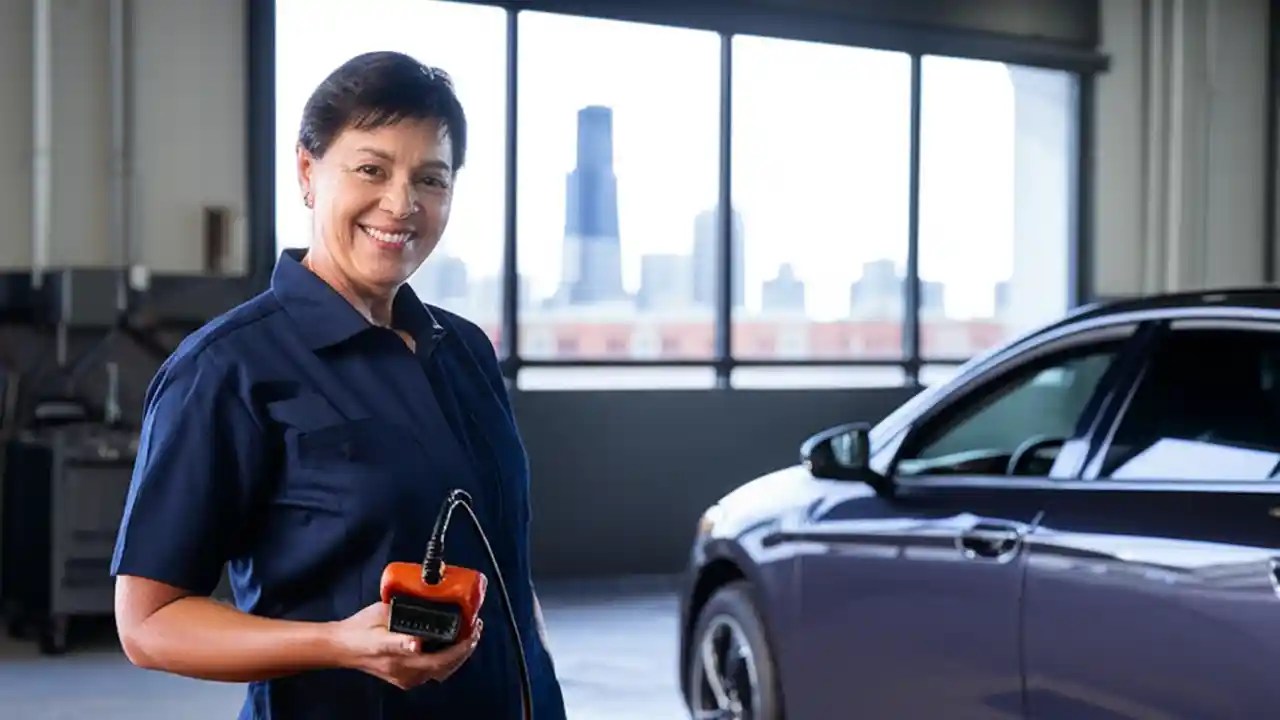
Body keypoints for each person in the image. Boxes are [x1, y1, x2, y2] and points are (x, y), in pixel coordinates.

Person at [111, 50, 567, 720]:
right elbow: (149, 624)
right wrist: (338, 644)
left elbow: (504, 565)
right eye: (371, 169)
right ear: (307, 170)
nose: (402, 203)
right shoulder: (227, 369)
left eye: (431, 179)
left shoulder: (464, 349)